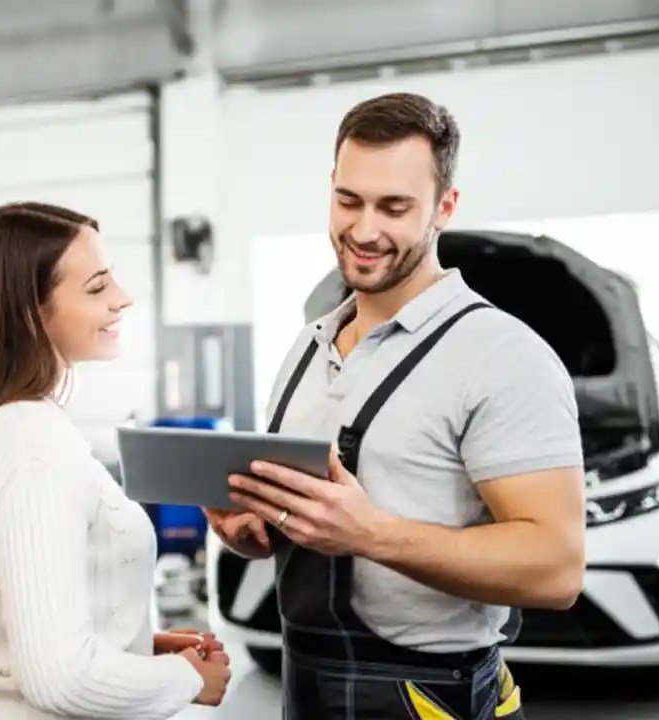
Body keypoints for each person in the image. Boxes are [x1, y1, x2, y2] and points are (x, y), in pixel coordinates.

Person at [205, 92, 587, 719]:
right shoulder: (308, 346)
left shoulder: (501, 355)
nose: (364, 230)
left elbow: (555, 570)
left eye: (394, 207)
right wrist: (256, 532)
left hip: (430, 697)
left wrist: (370, 534)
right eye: (348, 200)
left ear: (445, 207)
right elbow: (310, 531)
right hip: (307, 689)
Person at [0, 201, 232, 720]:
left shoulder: (29, 428)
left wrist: (137, 648)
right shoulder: (31, 445)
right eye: (97, 287)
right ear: (29, 312)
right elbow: (59, 679)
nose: (123, 299)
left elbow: (35, 637)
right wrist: (184, 679)